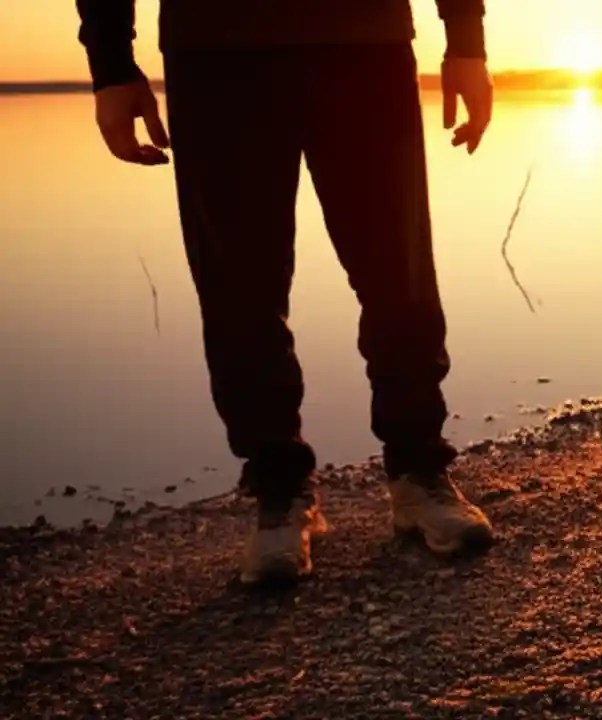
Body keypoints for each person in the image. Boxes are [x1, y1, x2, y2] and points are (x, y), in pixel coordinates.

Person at [74, 0, 497, 585]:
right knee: (238, 286)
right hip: (216, 49)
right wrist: (111, 60)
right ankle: (279, 490)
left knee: (398, 272)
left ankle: (419, 470)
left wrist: (466, 39)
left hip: (363, 40)